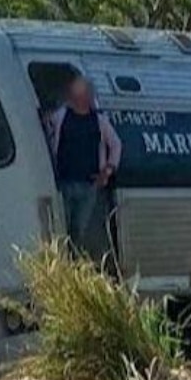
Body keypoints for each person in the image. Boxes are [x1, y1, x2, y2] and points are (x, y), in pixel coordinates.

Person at [41, 76, 122, 264]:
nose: (80, 99)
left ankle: (75, 265)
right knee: (63, 229)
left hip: (89, 185)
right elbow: (46, 124)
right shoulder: (61, 115)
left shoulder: (100, 121)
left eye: (83, 95)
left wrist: (107, 171)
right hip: (65, 182)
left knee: (79, 231)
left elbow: (116, 144)